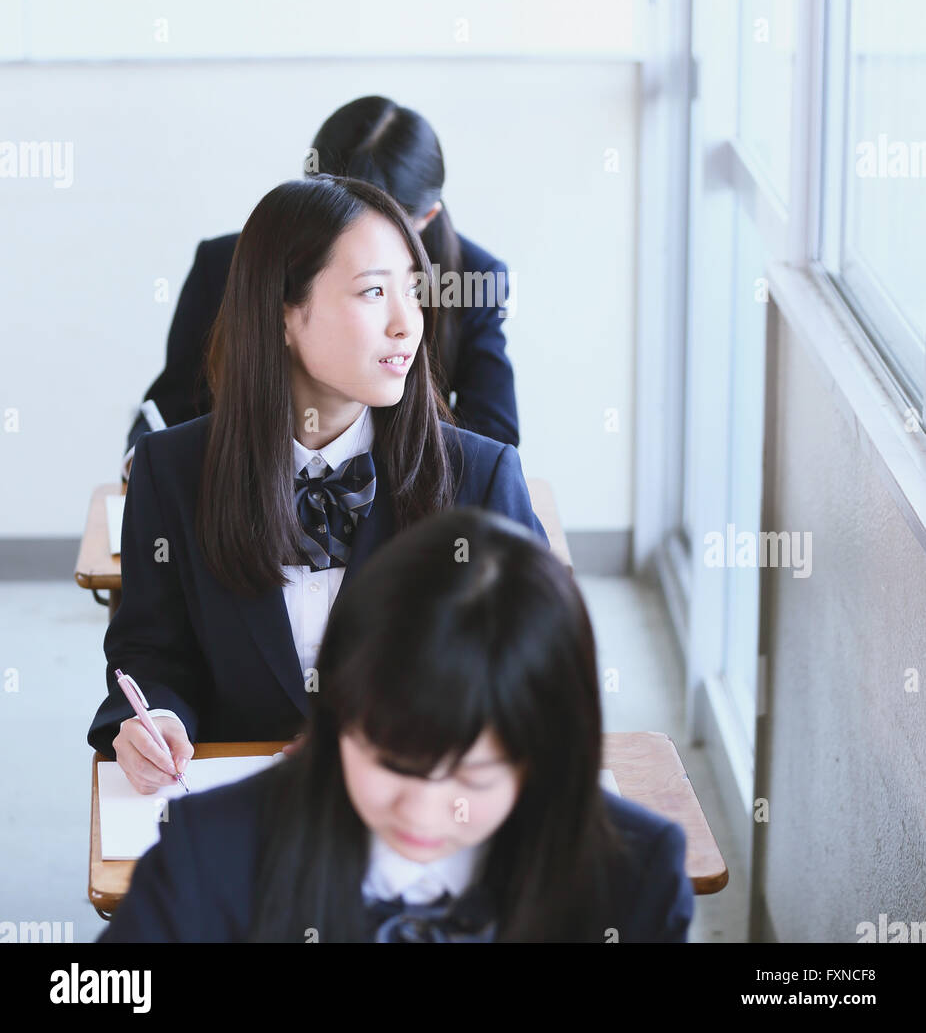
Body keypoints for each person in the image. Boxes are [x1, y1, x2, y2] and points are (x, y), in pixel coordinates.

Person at [90, 176, 545, 788]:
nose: (405, 323)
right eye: (372, 292)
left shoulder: (480, 477)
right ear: (281, 316)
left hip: (416, 817)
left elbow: (538, 672)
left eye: (411, 290)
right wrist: (159, 718)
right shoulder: (169, 471)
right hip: (241, 814)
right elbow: (150, 652)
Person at [98, 507, 694, 943]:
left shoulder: (635, 873)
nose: (422, 810)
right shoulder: (212, 854)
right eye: (389, 764)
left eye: (475, 778)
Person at [125, 96, 519, 461]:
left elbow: (492, 432)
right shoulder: (230, 264)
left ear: (425, 219)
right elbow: (170, 409)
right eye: (334, 208)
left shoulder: (474, 278)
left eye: (412, 290)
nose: (403, 324)